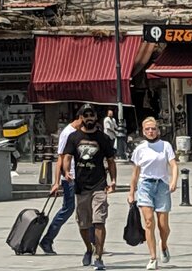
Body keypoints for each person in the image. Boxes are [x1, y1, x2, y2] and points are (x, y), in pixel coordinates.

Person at [63, 104, 117, 271]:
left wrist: (113, 179)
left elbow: (110, 161)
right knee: (83, 224)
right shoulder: (74, 137)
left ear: (96, 117)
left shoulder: (103, 138)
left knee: (99, 221)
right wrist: (66, 171)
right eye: (85, 116)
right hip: (81, 186)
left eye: (91, 115)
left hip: (99, 185)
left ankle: (99, 257)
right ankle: (88, 248)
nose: (89, 119)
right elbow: (67, 156)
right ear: (82, 118)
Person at [128, 116, 178, 271]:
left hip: (162, 186)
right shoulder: (140, 149)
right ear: (143, 131)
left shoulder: (165, 146)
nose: (150, 131)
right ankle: (152, 258)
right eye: (147, 129)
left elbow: (173, 165)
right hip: (145, 186)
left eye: (153, 129)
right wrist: (131, 192)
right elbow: (135, 173)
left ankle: (163, 244)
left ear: (158, 130)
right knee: (149, 222)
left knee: (163, 226)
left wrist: (174, 181)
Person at [40, 111, 82, 256]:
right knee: (68, 209)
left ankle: (95, 243)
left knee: (86, 208)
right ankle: (47, 239)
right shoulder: (67, 133)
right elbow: (60, 159)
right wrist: (56, 182)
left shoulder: (82, 132)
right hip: (69, 178)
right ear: (80, 118)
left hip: (82, 177)